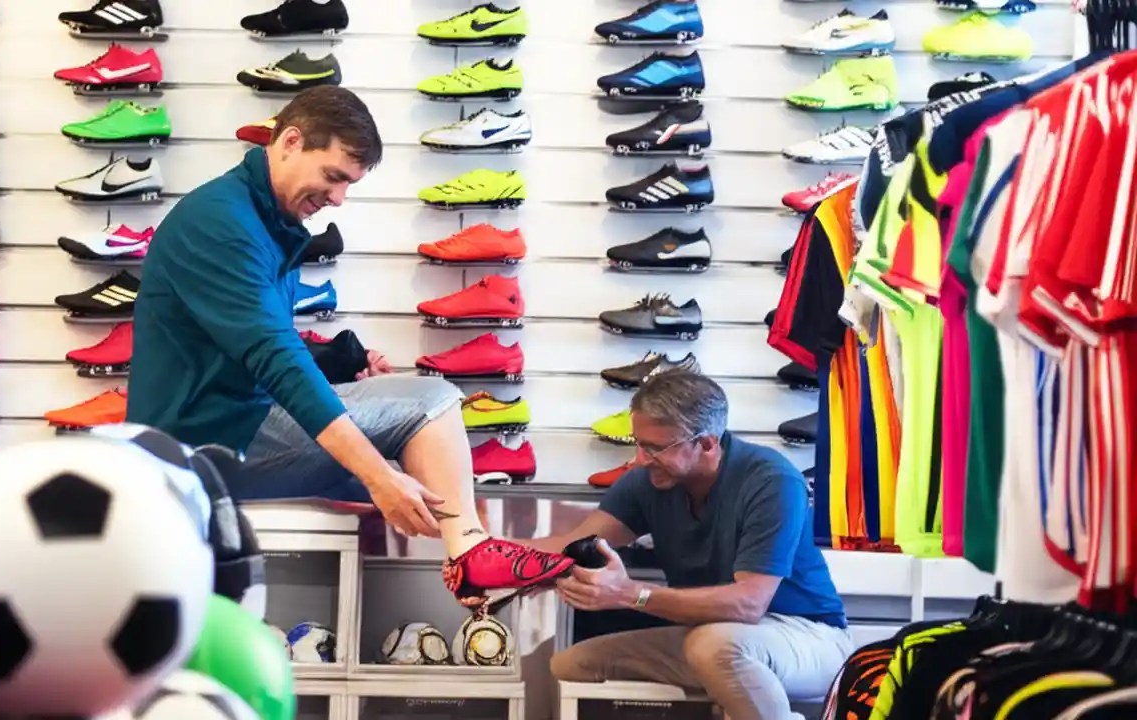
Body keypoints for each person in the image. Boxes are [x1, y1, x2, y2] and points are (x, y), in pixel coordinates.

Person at [125, 86, 572, 604]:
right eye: (334, 177)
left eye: (348, 185)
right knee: (433, 400)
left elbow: (243, 345)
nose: (338, 199)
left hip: (226, 424)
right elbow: (274, 359)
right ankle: (472, 557)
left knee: (426, 468)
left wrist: (342, 364)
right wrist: (377, 475)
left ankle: (479, 557)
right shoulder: (223, 224)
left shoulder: (265, 220)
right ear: (290, 142)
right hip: (206, 442)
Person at [525, 371, 853, 720]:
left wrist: (628, 593)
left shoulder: (772, 480)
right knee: (570, 663)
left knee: (715, 647)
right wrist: (479, 552)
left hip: (809, 636)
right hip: (710, 636)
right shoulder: (647, 481)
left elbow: (747, 606)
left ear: (708, 443)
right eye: (637, 443)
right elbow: (570, 545)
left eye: (655, 447)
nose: (639, 458)